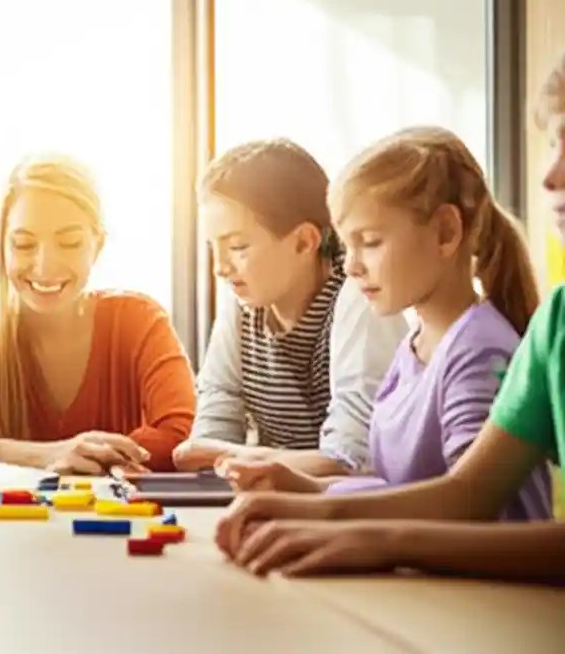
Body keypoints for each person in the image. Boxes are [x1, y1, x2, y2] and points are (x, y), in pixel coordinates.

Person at [215, 53, 565, 581]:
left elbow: (473, 508)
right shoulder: (528, 328)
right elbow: (454, 490)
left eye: (371, 243)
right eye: (555, 144)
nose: (549, 176)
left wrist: (347, 524)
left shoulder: (480, 348)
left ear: (447, 234)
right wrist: (308, 495)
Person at [0, 154, 195, 473]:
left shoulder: (138, 320)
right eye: (24, 245)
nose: (45, 266)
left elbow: (183, 433)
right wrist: (46, 455)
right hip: (1, 520)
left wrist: (85, 458)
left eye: (70, 243)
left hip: (114, 517)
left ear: (98, 245)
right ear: (2, 247)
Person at [174, 139, 408, 476]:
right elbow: (215, 417)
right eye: (214, 246)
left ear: (304, 242)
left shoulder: (358, 296)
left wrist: (225, 455)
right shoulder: (244, 302)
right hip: (281, 500)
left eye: (238, 246)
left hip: (349, 507)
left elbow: (351, 457)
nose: (220, 267)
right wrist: (211, 461)